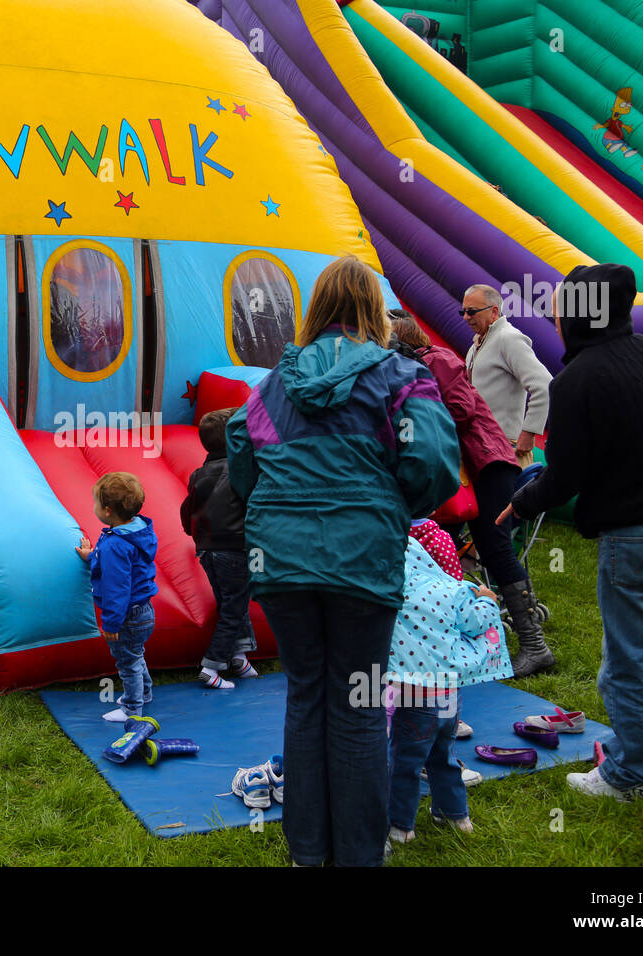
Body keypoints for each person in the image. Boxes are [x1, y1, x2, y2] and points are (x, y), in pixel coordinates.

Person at [226, 255, 459, 866]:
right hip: (361, 560)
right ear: (372, 311)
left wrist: (283, 511)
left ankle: (308, 851)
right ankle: (358, 854)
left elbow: (243, 464)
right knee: (358, 706)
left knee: (306, 696)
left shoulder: (270, 388)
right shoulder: (400, 377)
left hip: (280, 560)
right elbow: (432, 464)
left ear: (318, 309)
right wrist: (390, 506)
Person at [503, 263, 643, 803]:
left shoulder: (580, 379)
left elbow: (567, 475)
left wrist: (520, 503)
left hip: (639, 534)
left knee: (632, 657)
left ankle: (635, 774)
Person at [390, 314, 555, 675]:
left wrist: (417, 412)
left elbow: (462, 410)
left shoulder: (438, 360)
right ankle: (449, 634)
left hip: (484, 463)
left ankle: (534, 644)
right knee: (439, 548)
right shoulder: (422, 362)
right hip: (460, 465)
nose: (463, 317)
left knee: (494, 545)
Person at [387, 538, 509, 846]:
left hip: (415, 700)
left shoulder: (391, 593)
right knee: (444, 758)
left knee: (405, 764)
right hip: (450, 698)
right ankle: (455, 815)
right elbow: (477, 620)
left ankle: (401, 826)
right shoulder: (450, 591)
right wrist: (486, 599)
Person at [180, 407, 257, 689]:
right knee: (234, 607)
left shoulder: (199, 474)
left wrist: (193, 533)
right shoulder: (241, 469)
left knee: (231, 603)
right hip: (234, 548)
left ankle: (238, 657)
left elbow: (187, 510)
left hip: (207, 549)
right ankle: (212, 666)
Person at [75, 472, 158, 722]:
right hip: (143, 611)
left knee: (127, 661)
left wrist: (111, 623)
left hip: (126, 616)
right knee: (135, 653)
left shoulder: (115, 545)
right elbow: (120, 564)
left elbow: (117, 587)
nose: (94, 507)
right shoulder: (136, 531)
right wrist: (92, 556)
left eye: (96, 502)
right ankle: (144, 693)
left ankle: (132, 708)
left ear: (108, 510)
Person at [461, 284, 552, 466]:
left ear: (494, 312)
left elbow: (544, 385)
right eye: (462, 312)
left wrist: (528, 432)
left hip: (506, 450)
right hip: (483, 448)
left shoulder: (508, 338)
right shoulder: (475, 347)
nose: (465, 317)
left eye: (471, 312)